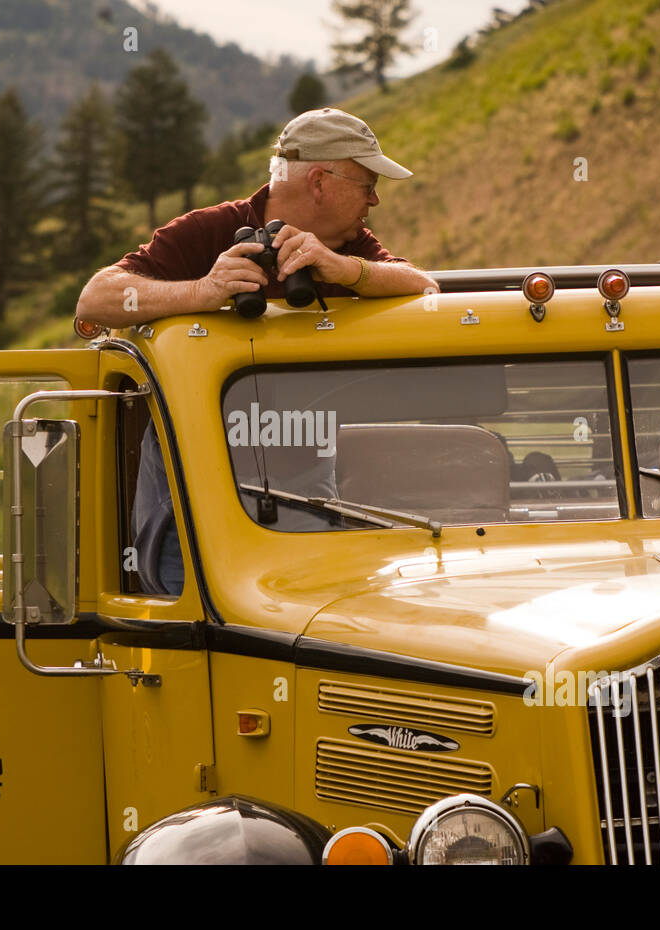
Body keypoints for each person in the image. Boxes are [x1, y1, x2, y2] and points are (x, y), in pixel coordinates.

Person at [76, 107, 438, 594]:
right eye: (367, 183)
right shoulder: (209, 231)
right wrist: (201, 293)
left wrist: (344, 270)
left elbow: (424, 288)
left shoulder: (349, 243)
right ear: (319, 181)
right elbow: (95, 300)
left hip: (306, 499)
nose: (374, 200)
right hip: (187, 506)